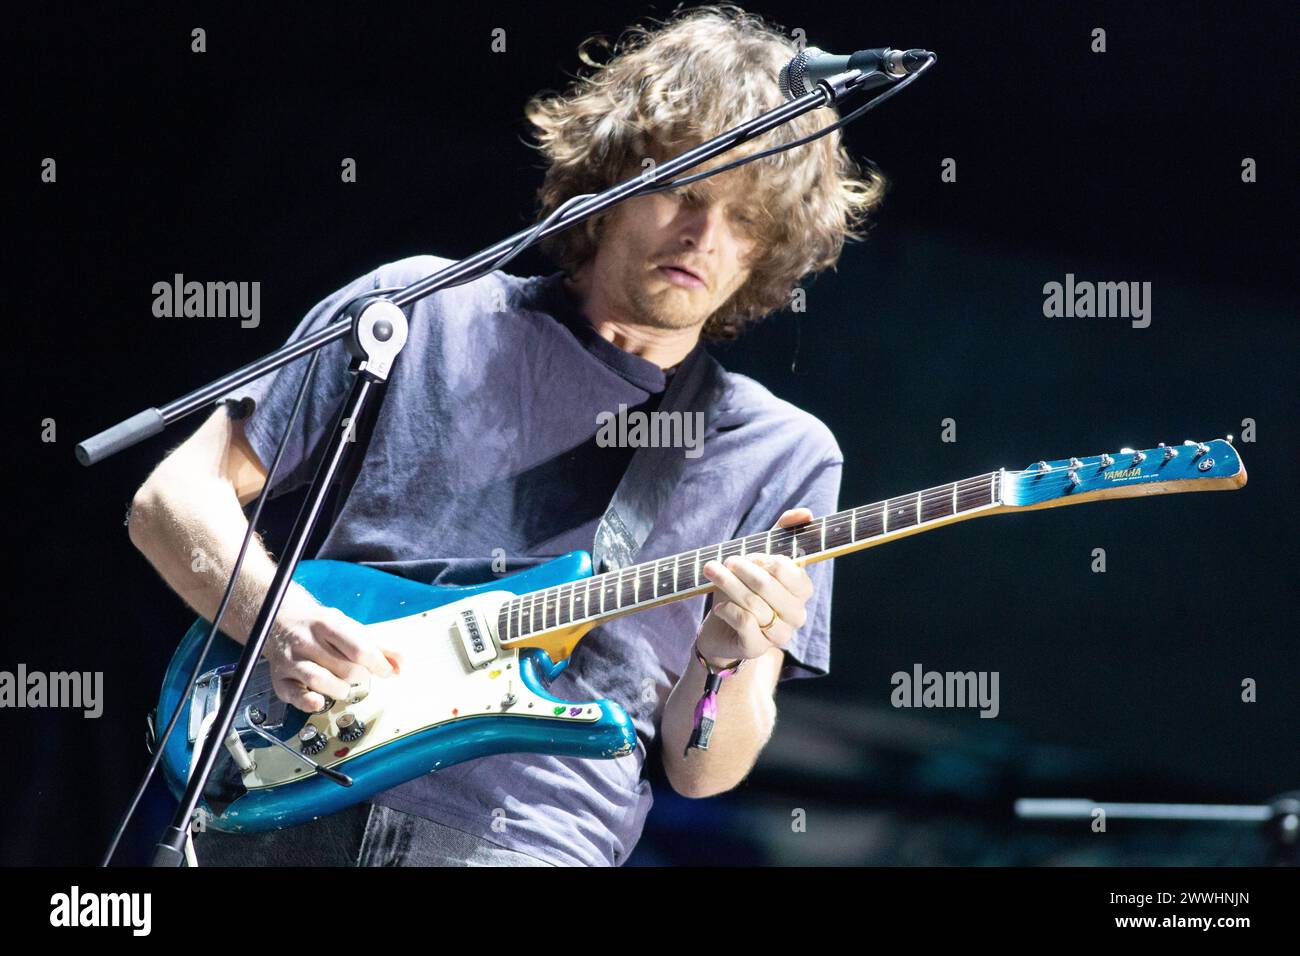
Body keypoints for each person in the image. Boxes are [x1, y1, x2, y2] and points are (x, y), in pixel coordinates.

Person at [127, 4, 884, 867]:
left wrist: (726, 659)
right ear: (615, 179)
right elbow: (172, 499)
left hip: (525, 841)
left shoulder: (780, 453)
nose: (704, 238)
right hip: (286, 794)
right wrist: (286, 619)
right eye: (689, 190)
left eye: (745, 221)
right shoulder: (419, 312)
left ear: (770, 249)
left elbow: (704, 769)